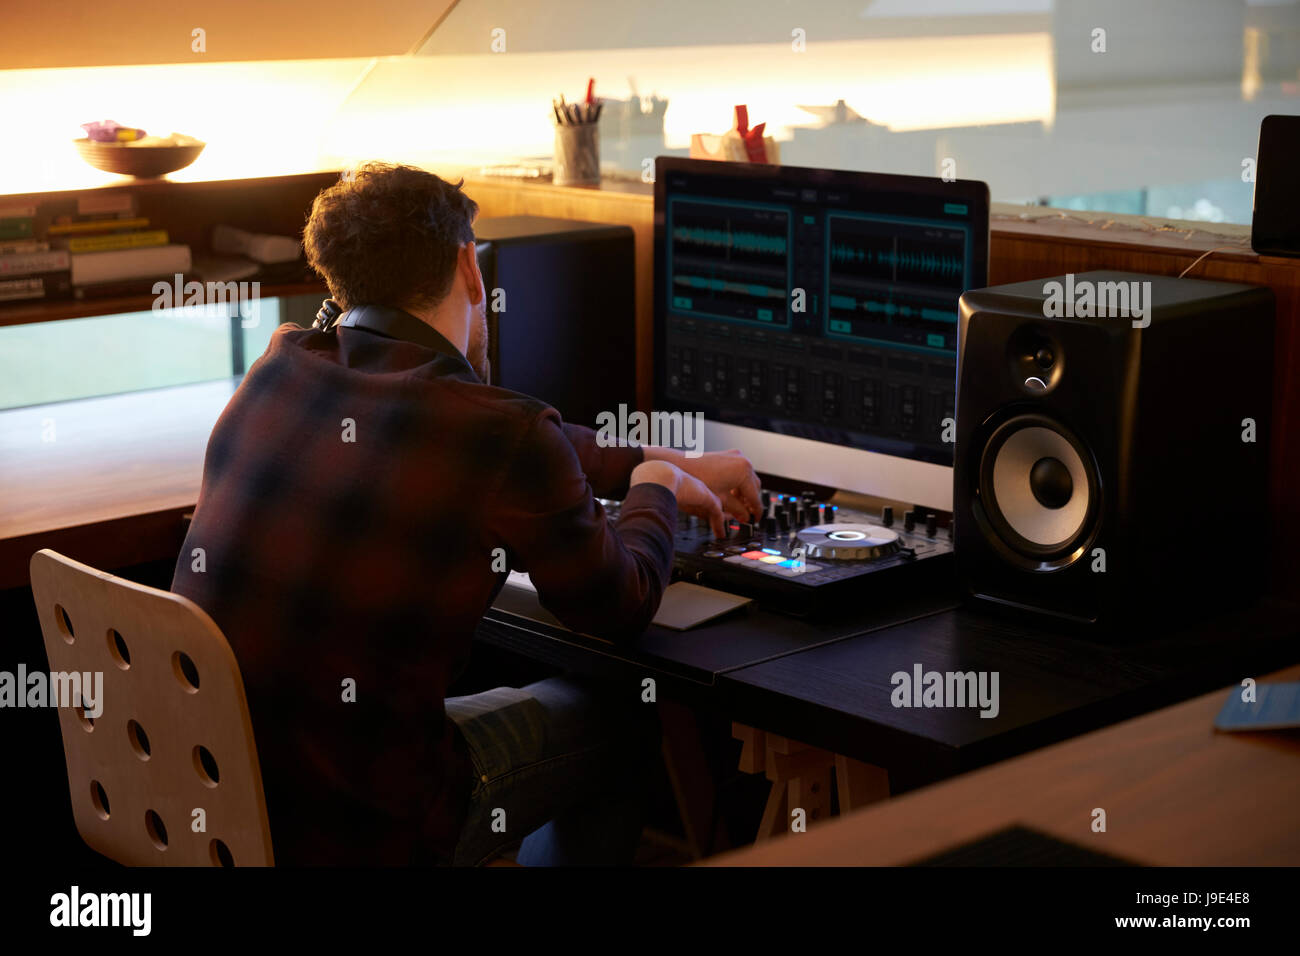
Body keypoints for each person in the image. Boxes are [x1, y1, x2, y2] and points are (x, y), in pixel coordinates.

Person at [170, 162, 761, 865]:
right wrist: (656, 487)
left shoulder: (277, 367)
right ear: (468, 268)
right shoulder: (497, 434)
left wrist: (660, 458)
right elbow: (620, 604)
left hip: (222, 790)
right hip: (366, 825)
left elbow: (521, 436)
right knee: (623, 716)